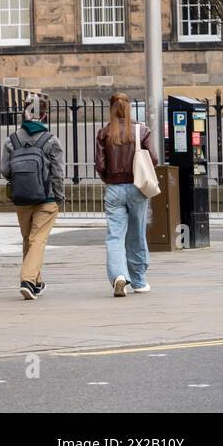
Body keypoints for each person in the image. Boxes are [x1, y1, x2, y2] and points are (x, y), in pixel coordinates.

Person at [0, 94, 65, 301]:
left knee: (29, 240)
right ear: (44, 115)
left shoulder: (12, 140)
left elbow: (5, 170)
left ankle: (36, 283)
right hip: (46, 198)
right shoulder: (51, 140)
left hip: (22, 197)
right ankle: (27, 280)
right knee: (38, 240)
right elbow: (58, 172)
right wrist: (59, 196)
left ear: (24, 112)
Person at [95, 93, 160, 297]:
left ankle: (118, 276)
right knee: (137, 233)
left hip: (114, 188)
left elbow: (100, 165)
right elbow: (155, 159)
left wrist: (110, 179)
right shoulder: (141, 131)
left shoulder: (104, 133)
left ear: (111, 109)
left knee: (114, 236)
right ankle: (139, 281)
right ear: (129, 108)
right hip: (137, 187)